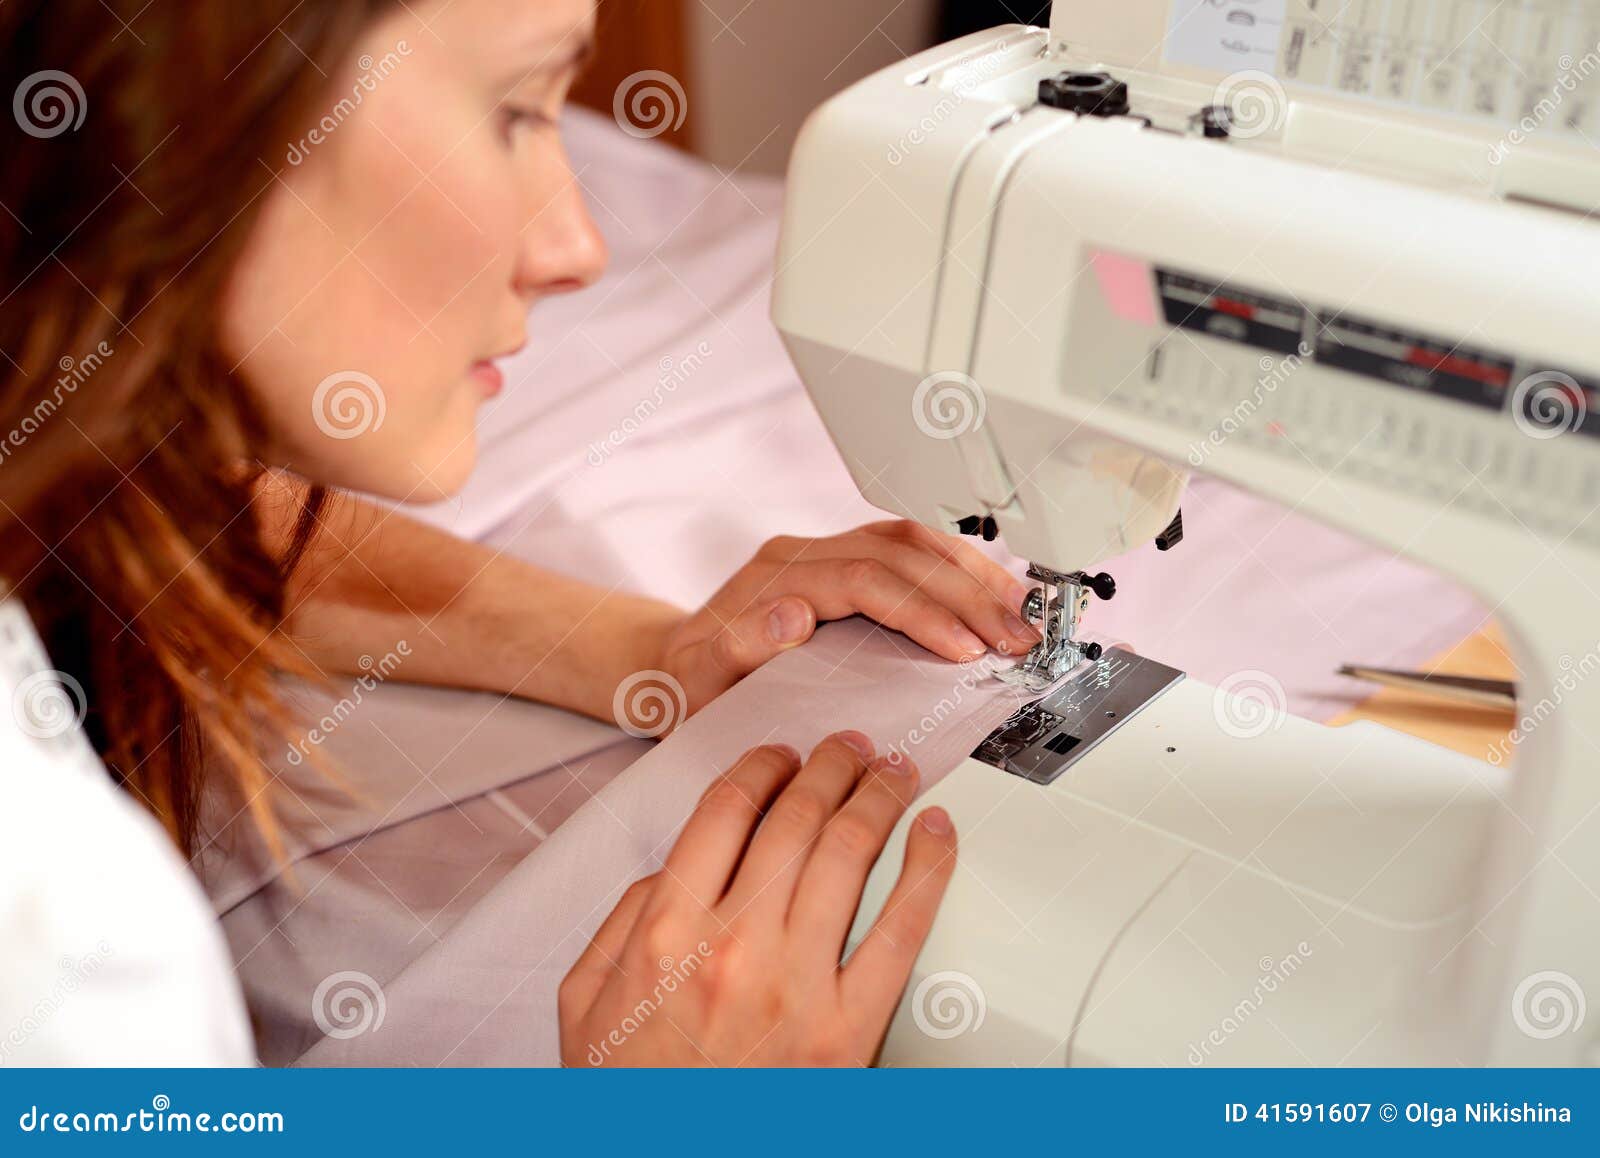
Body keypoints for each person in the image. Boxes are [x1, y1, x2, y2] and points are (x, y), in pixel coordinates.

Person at [0, 0, 1041, 1066]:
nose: (577, 249)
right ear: (195, 103)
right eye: (511, 112)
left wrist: (642, 649)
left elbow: (159, 496)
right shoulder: (71, 945)